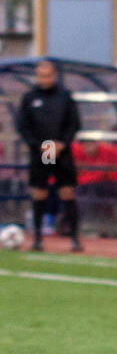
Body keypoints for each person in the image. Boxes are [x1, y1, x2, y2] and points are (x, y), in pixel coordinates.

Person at [16, 60, 83, 252]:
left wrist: (62, 143)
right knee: (39, 192)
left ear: (53, 76)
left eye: (47, 75)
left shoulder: (65, 97)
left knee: (67, 191)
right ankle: (37, 238)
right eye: (40, 75)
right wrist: (39, 146)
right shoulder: (30, 98)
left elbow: (74, 124)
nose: (44, 79)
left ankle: (75, 238)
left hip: (61, 151)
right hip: (41, 152)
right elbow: (23, 126)